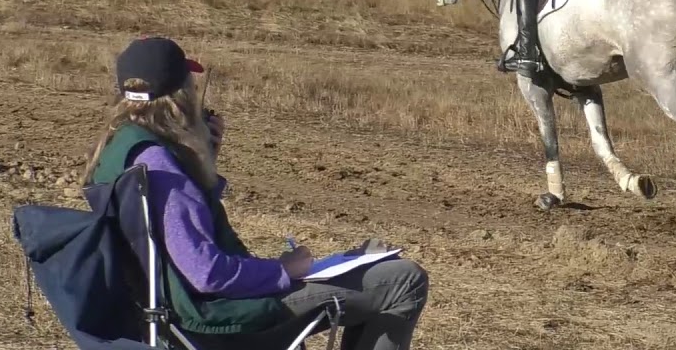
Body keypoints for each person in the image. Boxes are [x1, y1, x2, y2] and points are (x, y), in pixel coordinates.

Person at [81, 36, 429, 350]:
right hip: (218, 320)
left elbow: (177, 230)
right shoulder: (161, 167)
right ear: (180, 96)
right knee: (403, 280)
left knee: (379, 275)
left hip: (177, 313)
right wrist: (283, 270)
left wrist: (202, 160)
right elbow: (206, 273)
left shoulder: (122, 149)